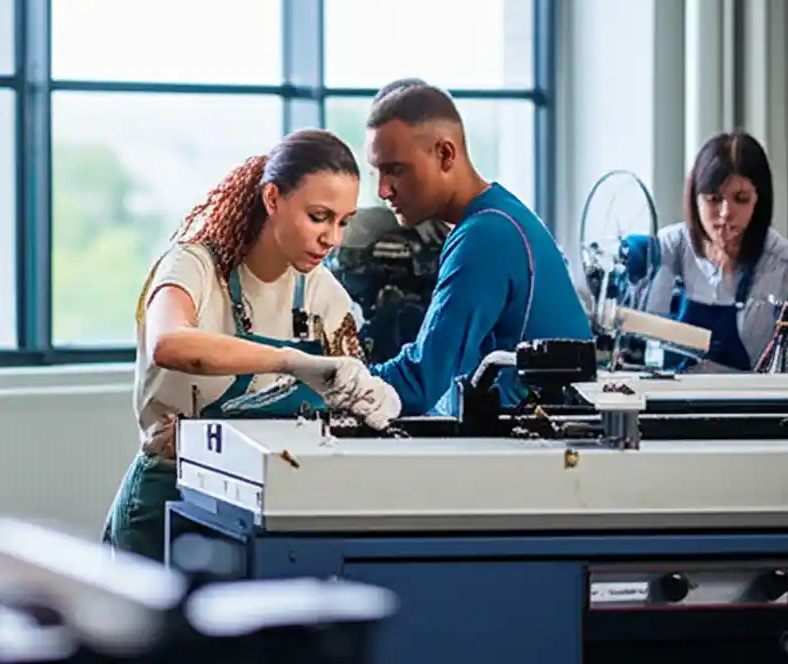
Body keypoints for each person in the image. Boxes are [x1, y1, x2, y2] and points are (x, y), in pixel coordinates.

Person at [102, 129, 401, 563]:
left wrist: (364, 397)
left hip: (267, 509)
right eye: (319, 216)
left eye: (344, 221)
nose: (332, 239)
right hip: (168, 495)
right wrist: (292, 361)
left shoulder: (325, 296)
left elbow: (346, 404)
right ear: (273, 199)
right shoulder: (194, 267)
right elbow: (167, 344)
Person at [363, 78, 592, 416]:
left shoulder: (485, 236)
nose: (383, 190)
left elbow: (420, 384)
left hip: (531, 449)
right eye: (376, 173)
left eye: (395, 170)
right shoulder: (501, 215)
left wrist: (326, 379)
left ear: (445, 154)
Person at [641, 132, 788, 371]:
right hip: (669, 402)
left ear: (759, 200)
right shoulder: (669, 248)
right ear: (695, 199)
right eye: (714, 199)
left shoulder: (787, 266)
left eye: (741, 199)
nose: (725, 213)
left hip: (751, 405)